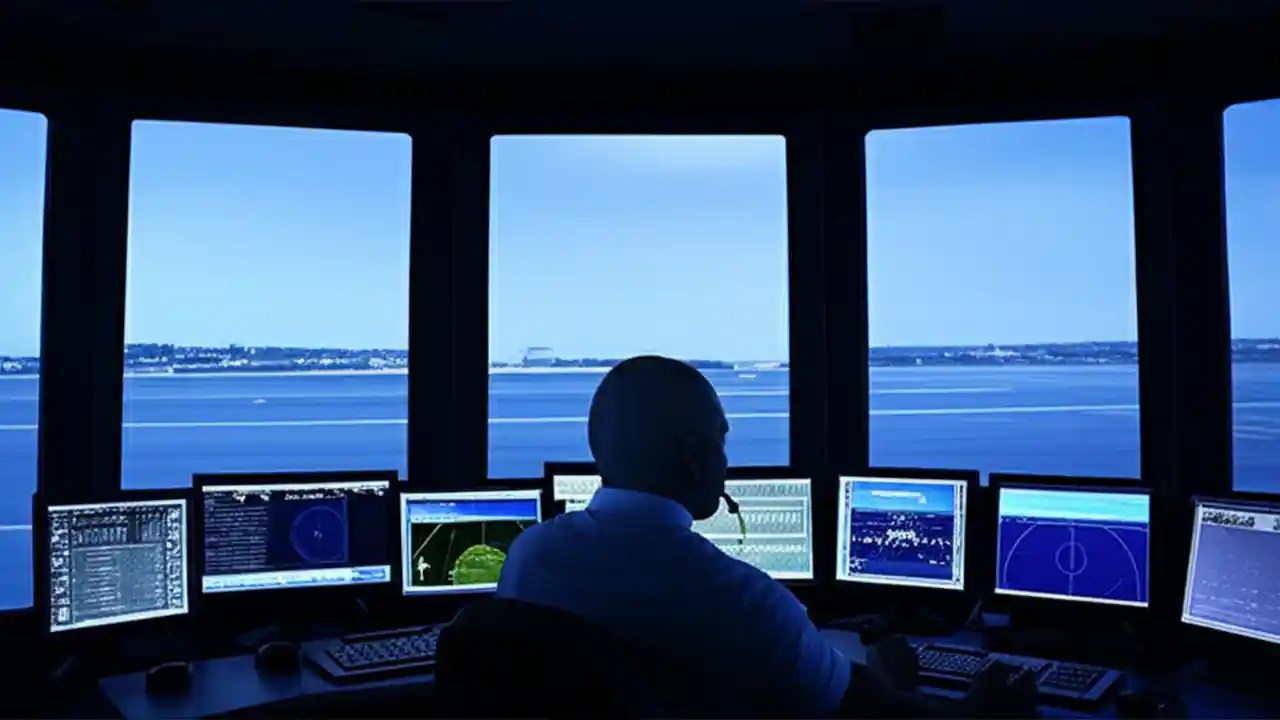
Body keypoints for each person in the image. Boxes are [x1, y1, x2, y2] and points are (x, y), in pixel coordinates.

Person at [496, 355, 1035, 717]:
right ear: (694, 457)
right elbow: (867, 712)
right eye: (720, 441)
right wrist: (923, 688)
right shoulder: (744, 602)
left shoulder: (527, 559)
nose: (725, 461)